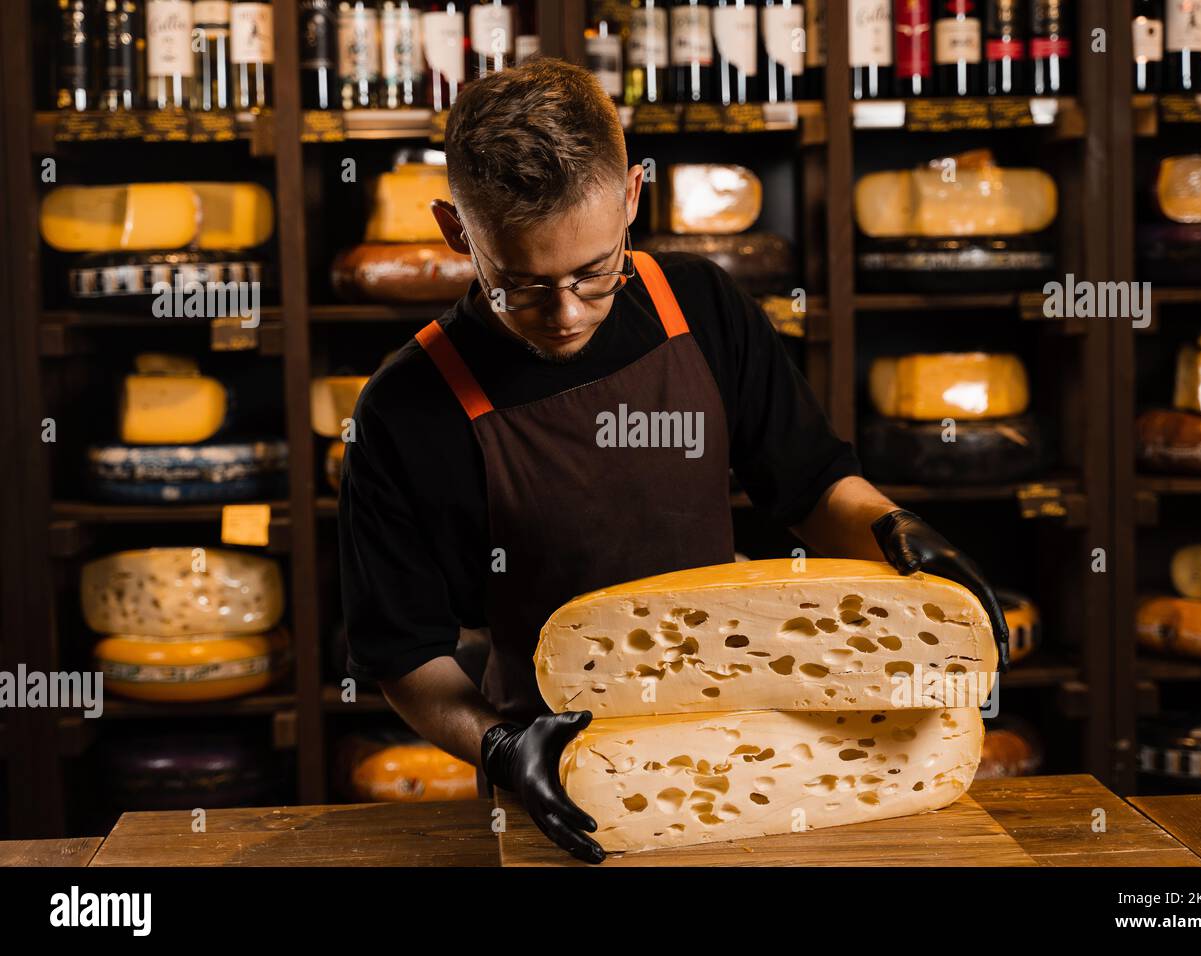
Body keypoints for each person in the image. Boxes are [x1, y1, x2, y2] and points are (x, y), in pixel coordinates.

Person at [339, 58, 1008, 864]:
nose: (565, 315)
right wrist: (502, 749)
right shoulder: (405, 409)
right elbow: (406, 658)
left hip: (748, 754)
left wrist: (891, 526)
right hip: (557, 772)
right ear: (456, 231)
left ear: (630, 199)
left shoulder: (698, 304)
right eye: (519, 284)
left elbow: (813, 483)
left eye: (594, 274)